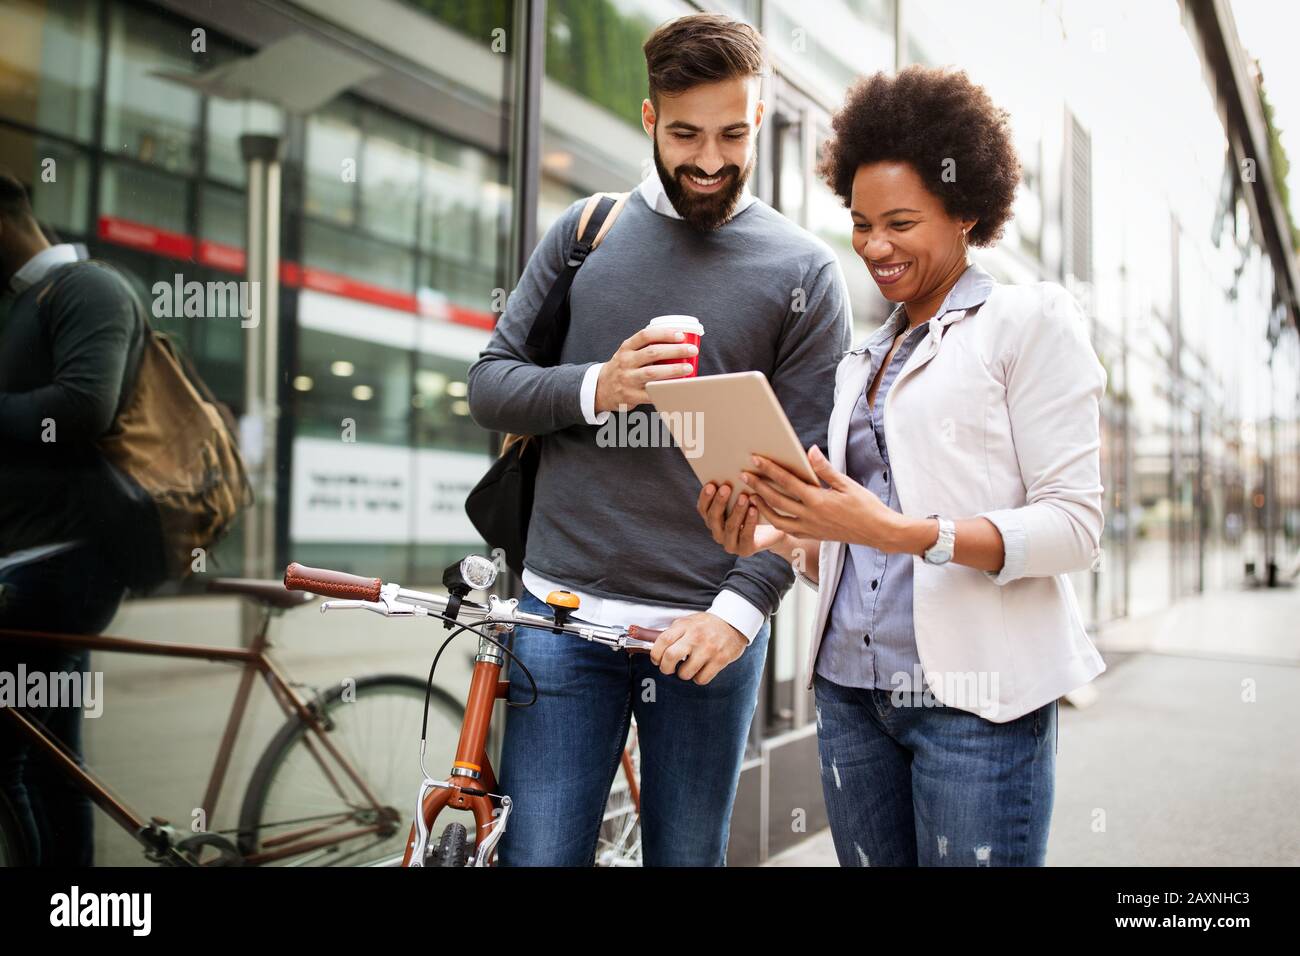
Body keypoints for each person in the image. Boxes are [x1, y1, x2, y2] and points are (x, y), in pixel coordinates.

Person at [697, 66, 1108, 867]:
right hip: (852, 696)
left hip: (976, 706)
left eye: (901, 222)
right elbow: (857, 552)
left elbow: (1075, 528)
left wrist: (901, 530)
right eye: (859, 222)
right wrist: (772, 536)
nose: (874, 246)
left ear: (967, 212)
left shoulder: (1027, 323)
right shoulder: (864, 356)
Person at [467, 13, 851, 865]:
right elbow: (490, 385)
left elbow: (811, 484)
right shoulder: (585, 234)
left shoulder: (804, 273)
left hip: (705, 629)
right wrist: (600, 385)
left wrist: (739, 613)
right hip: (560, 619)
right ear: (650, 122)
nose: (709, 161)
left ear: (757, 122)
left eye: (731, 133)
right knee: (540, 857)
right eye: (685, 135)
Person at [0, 168, 146, 865]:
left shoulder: (88, 288)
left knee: (30, 759)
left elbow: (85, 407)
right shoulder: (20, 304)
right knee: (47, 755)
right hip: (26, 558)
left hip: (59, 561)